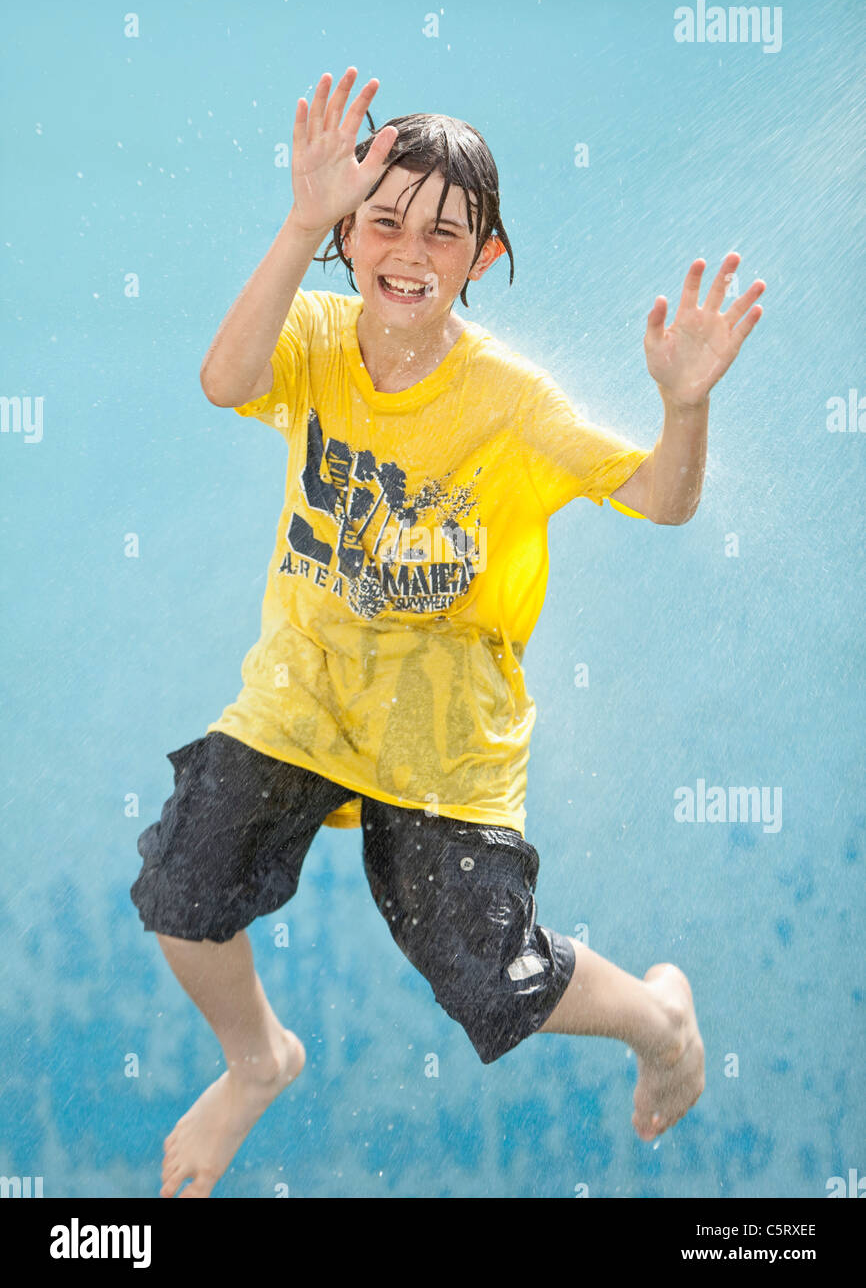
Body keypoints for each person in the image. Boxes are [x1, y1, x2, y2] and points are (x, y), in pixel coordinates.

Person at [130, 67, 765, 1199]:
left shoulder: (511, 403)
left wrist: (684, 407)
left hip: (443, 738)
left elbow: (663, 502)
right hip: (304, 696)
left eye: (444, 230)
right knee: (183, 882)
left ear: (483, 259)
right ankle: (255, 1059)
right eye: (382, 220)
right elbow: (224, 380)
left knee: (489, 975)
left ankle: (658, 1014)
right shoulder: (318, 339)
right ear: (349, 235)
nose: (408, 248)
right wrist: (298, 220)